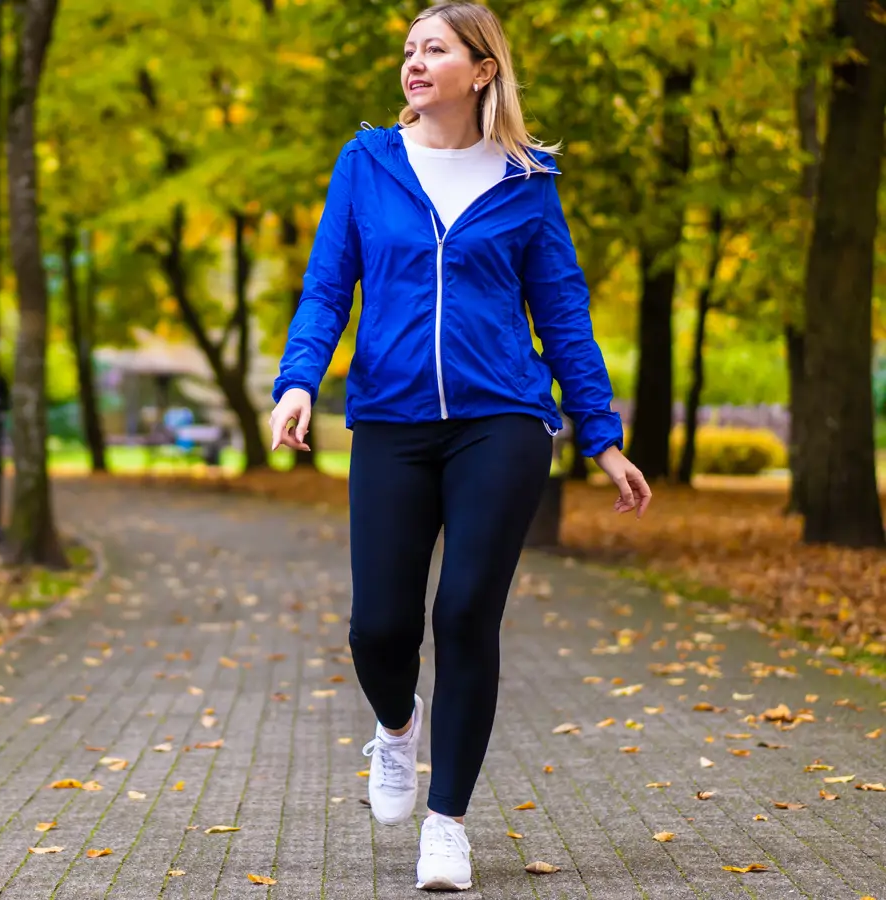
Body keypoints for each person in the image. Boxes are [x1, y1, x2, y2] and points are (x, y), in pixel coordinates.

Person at [270, 1, 652, 891]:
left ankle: (448, 826)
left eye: (434, 48)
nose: (413, 62)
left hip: (502, 421)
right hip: (392, 420)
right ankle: (395, 729)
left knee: (467, 612)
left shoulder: (527, 180)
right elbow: (327, 286)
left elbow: (562, 312)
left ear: (483, 70)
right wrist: (298, 380)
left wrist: (602, 436)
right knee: (380, 626)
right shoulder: (367, 163)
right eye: (409, 49)